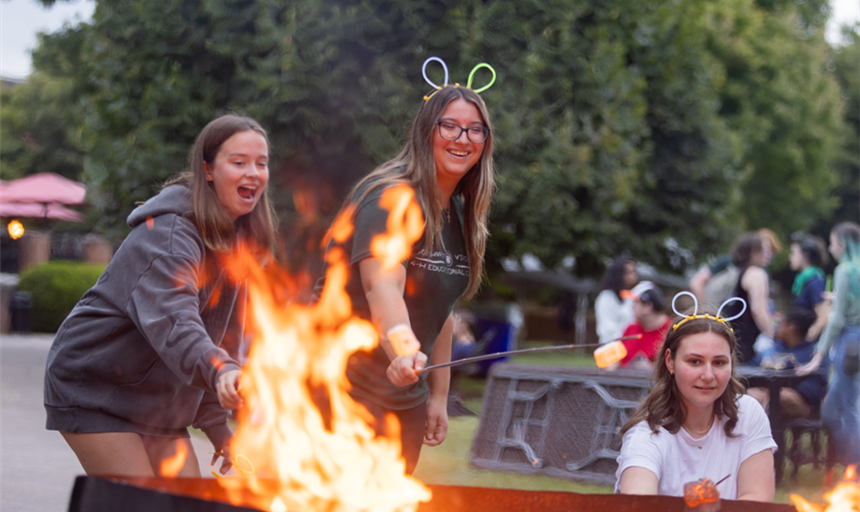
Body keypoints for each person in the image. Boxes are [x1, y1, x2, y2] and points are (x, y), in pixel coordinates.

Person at [43, 114, 275, 477]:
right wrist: (220, 372)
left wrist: (216, 424)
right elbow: (177, 325)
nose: (254, 173)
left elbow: (220, 338)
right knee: (142, 503)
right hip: (94, 385)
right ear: (208, 170)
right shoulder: (167, 236)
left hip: (156, 400)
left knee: (183, 500)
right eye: (239, 162)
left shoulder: (236, 242)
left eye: (261, 163)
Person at [312, 69, 496, 474]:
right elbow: (383, 286)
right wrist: (402, 349)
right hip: (340, 391)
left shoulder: (459, 215)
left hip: (404, 403)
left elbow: (441, 309)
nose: (462, 139)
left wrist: (437, 395)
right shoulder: (391, 197)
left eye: (474, 130)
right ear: (426, 131)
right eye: (449, 126)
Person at [616, 295, 776, 501]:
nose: (708, 375)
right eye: (694, 361)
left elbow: (758, 499)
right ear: (670, 362)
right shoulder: (646, 436)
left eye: (719, 363)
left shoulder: (748, 413)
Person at [797, 221, 860, 468]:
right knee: (842, 408)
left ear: (842, 244)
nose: (831, 249)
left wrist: (817, 356)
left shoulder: (845, 270)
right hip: (855, 341)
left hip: (851, 342)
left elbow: (836, 321)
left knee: (841, 409)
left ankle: (854, 474)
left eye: (832, 243)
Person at [747, 309, 827, 419]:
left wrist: (791, 380)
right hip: (768, 393)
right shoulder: (775, 347)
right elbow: (752, 366)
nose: (777, 327)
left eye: (781, 323)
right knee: (750, 395)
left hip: (801, 403)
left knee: (781, 396)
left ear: (791, 327)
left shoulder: (813, 353)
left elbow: (817, 390)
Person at [690, 228, 781, 304]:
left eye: (771, 253)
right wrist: (705, 311)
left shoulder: (764, 271)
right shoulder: (729, 262)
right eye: (764, 250)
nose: (767, 255)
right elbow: (697, 282)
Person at [724, 232, 774, 364]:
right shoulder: (757, 273)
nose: (767, 253)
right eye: (761, 250)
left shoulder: (740, 271)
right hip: (749, 337)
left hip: (735, 332)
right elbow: (758, 309)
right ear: (751, 252)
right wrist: (770, 333)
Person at [613, 287, 672, 369]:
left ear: (647, 307)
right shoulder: (631, 328)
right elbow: (616, 359)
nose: (632, 306)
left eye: (635, 302)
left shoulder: (671, 331)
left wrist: (651, 368)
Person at [789, 234, 829, 340]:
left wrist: (805, 341)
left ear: (805, 255)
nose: (790, 257)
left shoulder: (815, 281)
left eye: (794, 253)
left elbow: (823, 318)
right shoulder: (802, 280)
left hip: (805, 345)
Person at [595, 257, 639, 345]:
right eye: (628, 273)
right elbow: (607, 331)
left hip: (630, 347)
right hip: (611, 349)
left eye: (634, 272)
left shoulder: (632, 296)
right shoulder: (606, 297)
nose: (633, 276)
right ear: (619, 275)